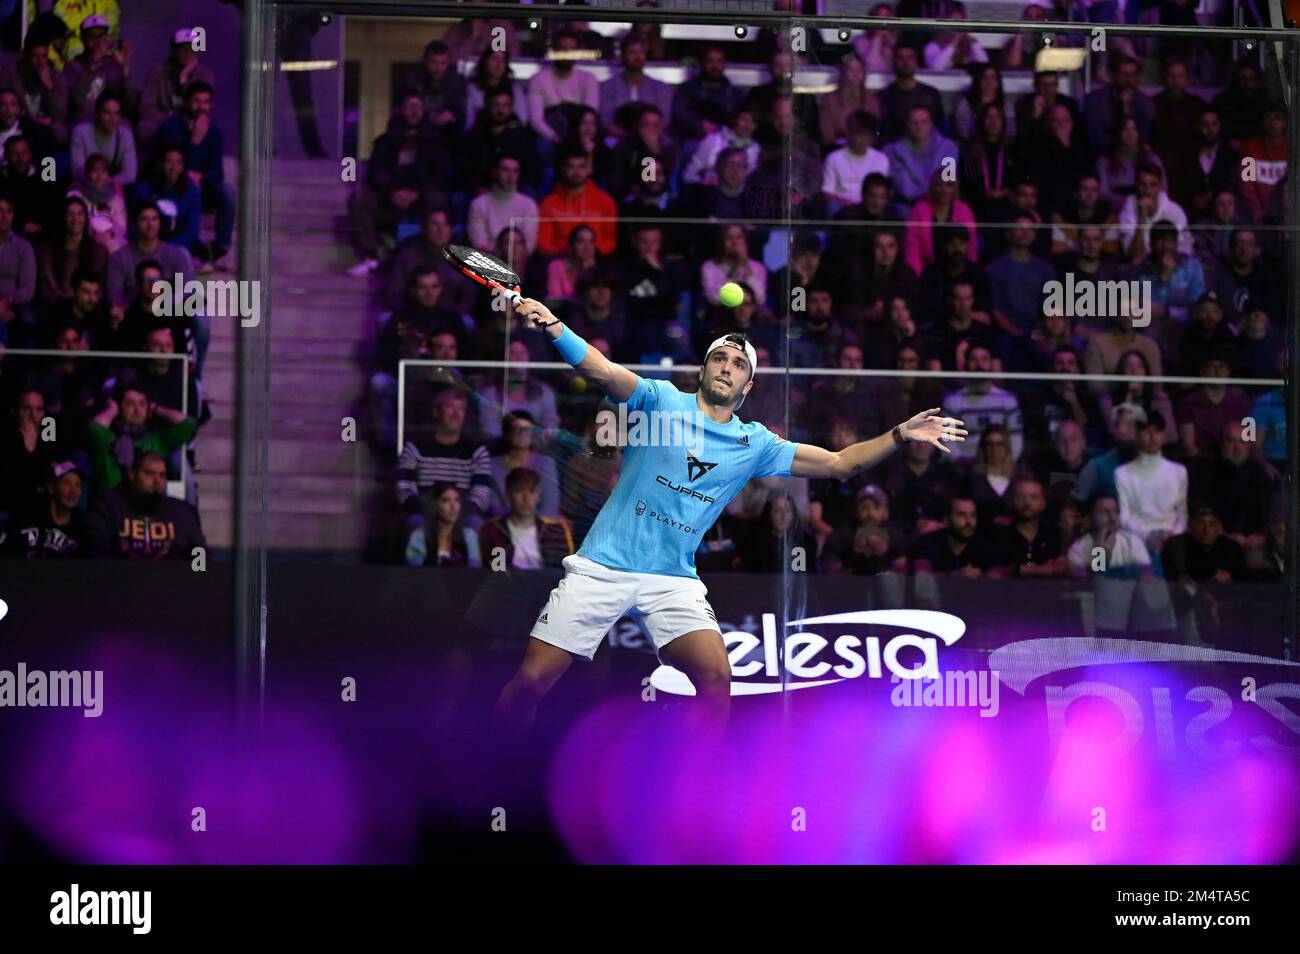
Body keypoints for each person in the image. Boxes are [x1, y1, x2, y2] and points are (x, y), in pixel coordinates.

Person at [494, 303, 967, 729]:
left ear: (748, 385)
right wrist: (557, 328)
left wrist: (900, 434)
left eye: (738, 364)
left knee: (717, 678)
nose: (727, 367)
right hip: (603, 565)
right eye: (720, 358)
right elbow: (604, 372)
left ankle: (692, 784)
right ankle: (499, 757)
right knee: (533, 680)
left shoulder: (754, 443)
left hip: (672, 580)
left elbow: (841, 464)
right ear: (703, 369)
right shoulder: (660, 400)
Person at [155, 81, 234, 271]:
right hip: (172, 189)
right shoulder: (170, 128)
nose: (201, 107)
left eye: (206, 102)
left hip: (202, 187)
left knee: (228, 193)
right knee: (192, 187)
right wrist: (194, 142)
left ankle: (221, 250)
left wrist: (201, 177)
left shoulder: (213, 132)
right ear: (186, 103)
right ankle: (195, 248)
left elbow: (217, 173)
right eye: (196, 101)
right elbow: (171, 168)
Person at [86, 449, 205, 560]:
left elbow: (200, 553)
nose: (157, 481)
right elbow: (96, 556)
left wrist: (197, 579)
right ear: (132, 475)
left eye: (162, 475)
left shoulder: (181, 511)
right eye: (149, 473)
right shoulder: (107, 506)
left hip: (170, 580)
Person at [86, 383, 196, 495]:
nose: (137, 409)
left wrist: (156, 409)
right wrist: (112, 409)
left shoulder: (156, 440)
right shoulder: (107, 438)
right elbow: (94, 428)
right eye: (130, 404)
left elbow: (188, 424)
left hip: (148, 504)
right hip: (111, 505)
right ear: (119, 408)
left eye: (142, 404)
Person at [1114, 409, 1187, 566]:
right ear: (1137, 435)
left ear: (1164, 435)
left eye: (1157, 432)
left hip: (1172, 542)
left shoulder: (1179, 471)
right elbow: (1124, 516)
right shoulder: (1122, 474)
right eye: (1147, 432)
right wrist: (1148, 537)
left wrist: (1170, 538)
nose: (1153, 438)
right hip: (1137, 540)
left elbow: (1182, 514)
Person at [478, 467, 574, 569]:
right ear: (508, 495)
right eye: (519, 491)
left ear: (538, 496)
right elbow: (493, 572)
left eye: (532, 491)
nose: (526, 498)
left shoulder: (556, 531)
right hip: (508, 584)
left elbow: (562, 572)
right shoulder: (492, 530)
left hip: (547, 584)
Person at [138, 28, 215, 145]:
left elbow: (203, 109)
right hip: (162, 122)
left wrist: (184, 81)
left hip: (191, 122)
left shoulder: (204, 76)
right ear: (174, 51)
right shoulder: (157, 73)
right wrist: (171, 120)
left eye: (192, 48)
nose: (188, 53)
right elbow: (146, 108)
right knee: (146, 127)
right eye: (183, 49)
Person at [536, 148, 617, 257]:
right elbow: (544, 245)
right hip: (560, 261)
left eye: (581, 166)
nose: (577, 172)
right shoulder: (549, 203)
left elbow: (610, 241)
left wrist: (589, 254)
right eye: (571, 167)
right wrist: (569, 255)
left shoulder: (605, 201)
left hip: (595, 263)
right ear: (562, 169)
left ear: (588, 169)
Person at [2, 459, 87, 558]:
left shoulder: (81, 528)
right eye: (66, 483)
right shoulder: (26, 516)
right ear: (51, 488)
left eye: (78, 485)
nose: (73, 491)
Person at [37, 195, 108, 305]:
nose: (75, 219)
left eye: (80, 214)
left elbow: (100, 288)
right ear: (63, 218)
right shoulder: (47, 250)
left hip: (89, 308)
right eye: (70, 214)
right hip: (55, 308)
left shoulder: (98, 252)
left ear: (86, 218)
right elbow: (45, 287)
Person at [467, 154, 539, 254]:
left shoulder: (529, 205)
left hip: (519, 263)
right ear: (495, 172)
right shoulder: (478, 204)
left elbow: (529, 245)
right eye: (505, 170)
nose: (510, 176)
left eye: (515, 171)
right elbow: (479, 243)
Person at [821, 110, 890, 210]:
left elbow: (881, 192)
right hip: (843, 207)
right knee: (833, 207)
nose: (862, 139)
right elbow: (827, 193)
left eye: (866, 134)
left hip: (871, 207)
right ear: (848, 134)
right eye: (859, 134)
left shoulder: (881, 159)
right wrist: (845, 203)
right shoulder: (833, 158)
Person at [404, 483, 481, 567]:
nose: (453, 506)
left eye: (457, 500)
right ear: (434, 505)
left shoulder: (469, 535)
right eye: (445, 500)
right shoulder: (419, 536)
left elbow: (474, 572)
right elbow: (414, 573)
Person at [69, 91, 135, 183]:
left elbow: (130, 175)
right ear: (97, 114)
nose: (113, 119)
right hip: (85, 186)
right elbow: (77, 170)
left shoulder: (125, 136)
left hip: (112, 187)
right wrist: (97, 183)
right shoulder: (81, 132)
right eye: (107, 113)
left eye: (117, 113)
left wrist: (107, 183)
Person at [0, 194, 37, 346]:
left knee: (29, 321)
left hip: (13, 304)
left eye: (9, 211)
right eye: (0, 211)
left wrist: (5, 302)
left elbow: (27, 291)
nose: (4, 216)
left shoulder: (23, 247)